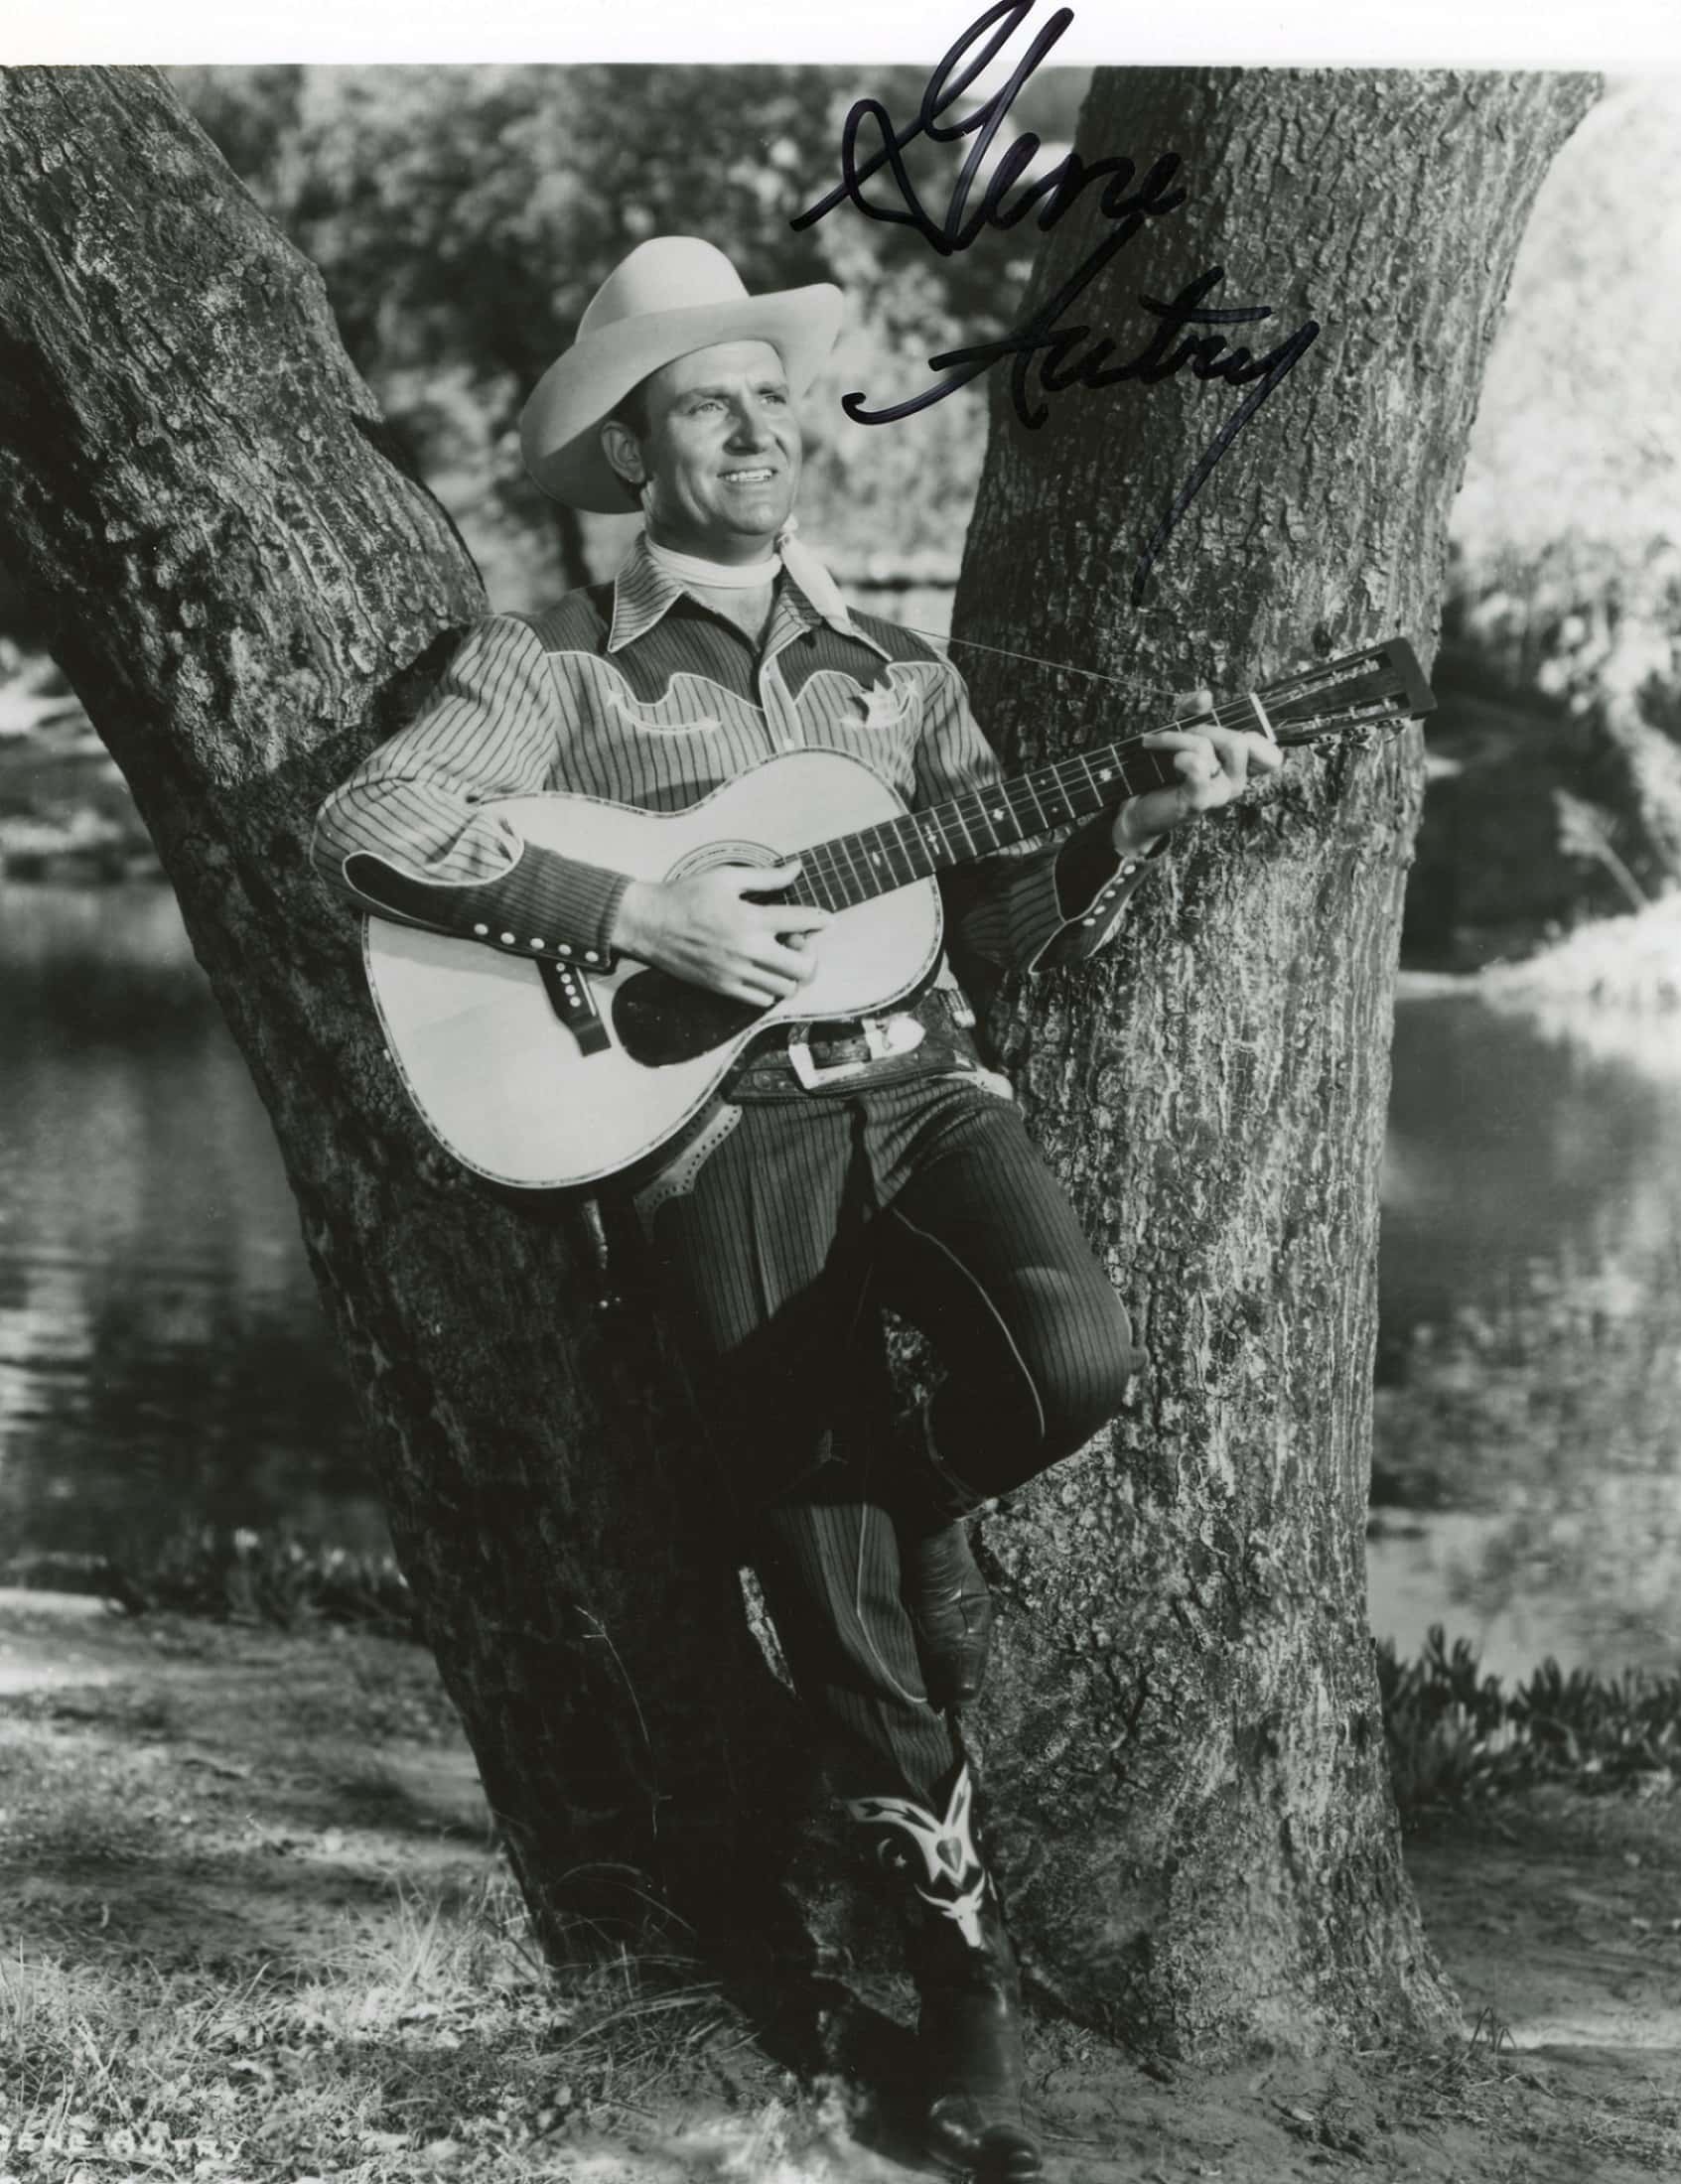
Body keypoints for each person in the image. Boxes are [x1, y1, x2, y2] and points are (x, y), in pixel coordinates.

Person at [312, 236, 1279, 2181]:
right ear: (633, 449)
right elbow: (371, 823)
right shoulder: (559, 670)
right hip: (717, 1147)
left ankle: (885, 1481)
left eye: (768, 390)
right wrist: (629, 907)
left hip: (925, 1097)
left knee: (1077, 1355)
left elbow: (975, 916)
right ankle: (954, 2022)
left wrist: (1128, 819)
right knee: (851, 1632)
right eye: (702, 400)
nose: (751, 423)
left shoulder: (896, 676)